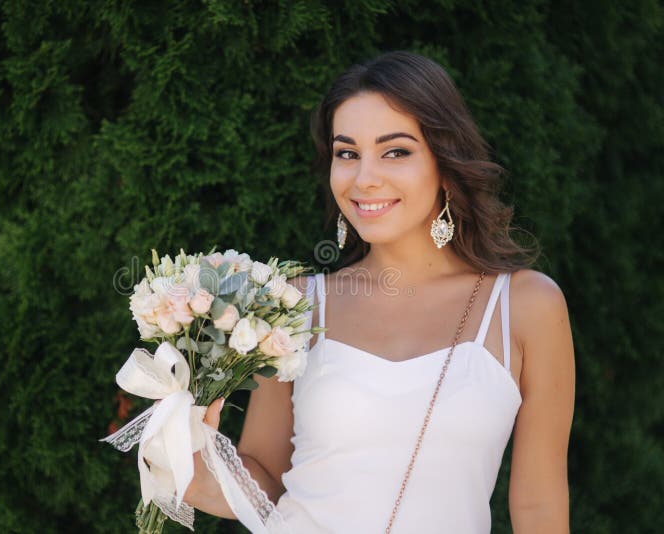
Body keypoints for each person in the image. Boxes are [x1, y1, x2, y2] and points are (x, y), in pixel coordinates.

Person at [183, 50, 575, 533]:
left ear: (445, 163)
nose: (364, 179)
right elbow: (264, 480)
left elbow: (539, 508)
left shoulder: (525, 306)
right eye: (347, 153)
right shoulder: (293, 304)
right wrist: (192, 464)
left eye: (395, 152)